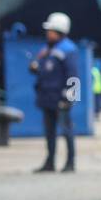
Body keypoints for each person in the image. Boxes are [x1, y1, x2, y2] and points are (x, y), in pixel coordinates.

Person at [30, 11, 80, 173]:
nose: (47, 33)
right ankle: (50, 162)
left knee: (66, 130)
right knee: (49, 132)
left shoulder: (68, 49)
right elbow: (43, 70)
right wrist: (34, 67)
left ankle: (70, 163)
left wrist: (70, 98)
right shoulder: (47, 50)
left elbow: (73, 75)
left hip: (61, 99)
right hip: (47, 97)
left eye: (50, 30)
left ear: (59, 31)